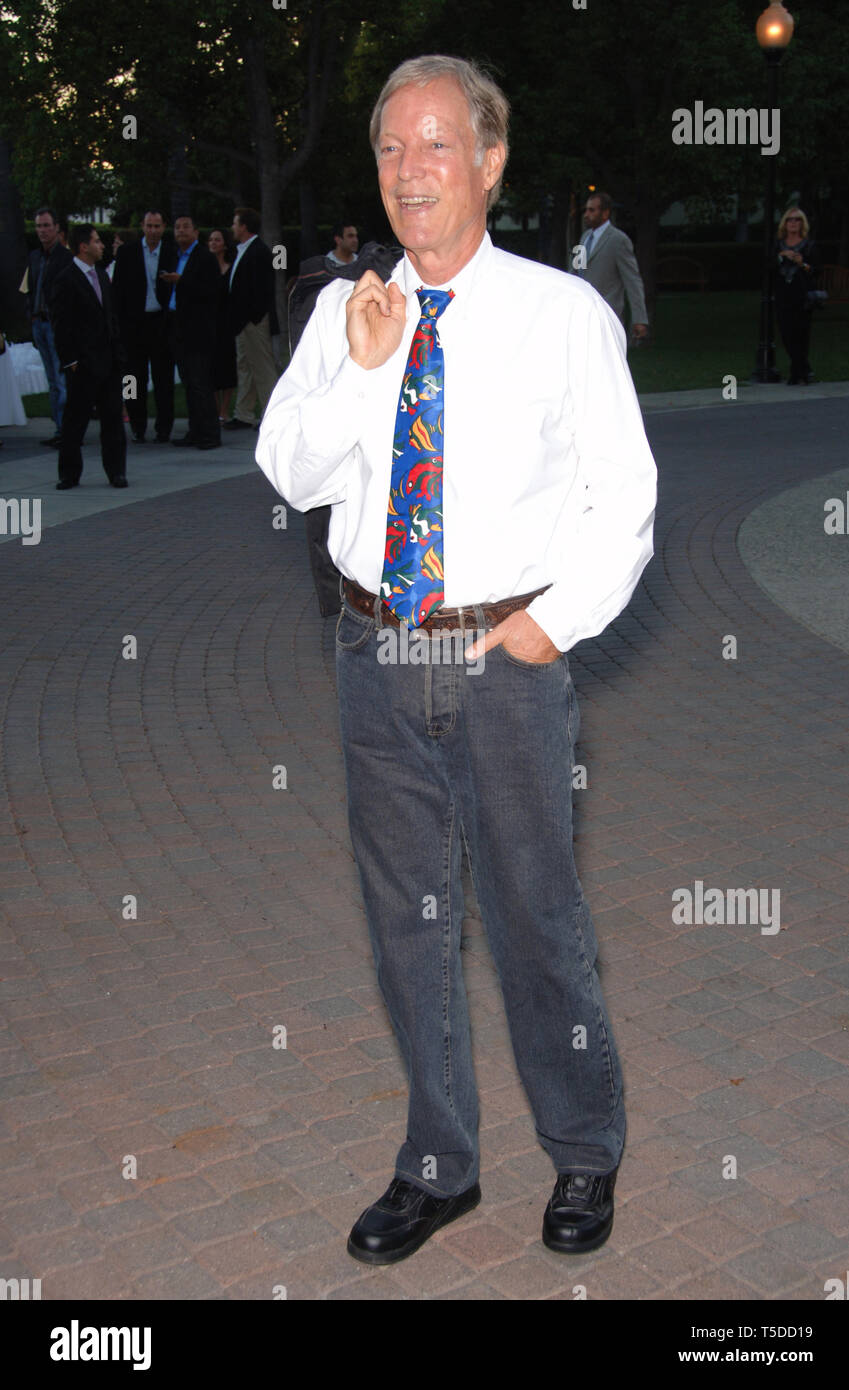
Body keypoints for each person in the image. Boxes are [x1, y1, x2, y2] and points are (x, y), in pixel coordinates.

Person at [257, 55, 657, 1265]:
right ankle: (438, 1165)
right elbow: (287, 470)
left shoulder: (560, 313)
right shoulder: (345, 312)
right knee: (408, 923)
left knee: (537, 916)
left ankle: (582, 1152)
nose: (408, 170)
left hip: (504, 661)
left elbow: (624, 496)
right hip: (372, 650)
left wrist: (551, 624)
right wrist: (364, 376)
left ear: (488, 162)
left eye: (436, 145)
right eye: (389, 147)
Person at [49, 224, 127, 489]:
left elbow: (111, 316)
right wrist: (70, 361)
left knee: (113, 419)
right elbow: (61, 325)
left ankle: (116, 471)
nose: (101, 245)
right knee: (75, 421)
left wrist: (118, 353)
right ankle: (69, 474)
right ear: (83, 246)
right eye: (96, 241)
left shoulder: (102, 276)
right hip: (82, 365)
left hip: (109, 362)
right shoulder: (66, 279)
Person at [112, 210, 176, 442]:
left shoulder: (170, 252)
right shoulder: (127, 253)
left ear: (163, 227)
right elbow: (117, 290)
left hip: (161, 323)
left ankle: (163, 427)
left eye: (157, 226)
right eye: (149, 226)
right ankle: (137, 425)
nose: (153, 231)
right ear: (142, 226)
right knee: (132, 379)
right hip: (134, 325)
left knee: (163, 379)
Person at [160, 214, 221, 449]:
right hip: (178, 326)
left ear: (196, 232)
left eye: (186, 227)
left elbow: (211, 291)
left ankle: (210, 433)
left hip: (198, 329)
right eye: (177, 227)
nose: (181, 231)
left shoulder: (204, 257)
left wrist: (181, 281)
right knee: (188, 382)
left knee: (200, 382)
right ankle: (195, 430)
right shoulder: (175, 256)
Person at [22, 207, 72, 446]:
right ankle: (60, 428)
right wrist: (31, 316)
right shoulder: (35, 257)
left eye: (46, 226)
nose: (42, 230)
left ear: (56, 229)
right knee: (52, 380)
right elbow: (29, 288)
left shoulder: (65, 258)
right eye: (38, 226)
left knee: (61, 379)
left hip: (55, 325)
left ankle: (68, 430)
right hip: (39, 323)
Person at [224, 207, 278, 430]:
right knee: (245, 366)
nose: (233, 227)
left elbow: (262, 289)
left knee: (262, 367)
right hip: (243, 321)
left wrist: (252, 318)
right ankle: (244, 413)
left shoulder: (259, 251)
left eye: (235, 223)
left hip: (253, 321)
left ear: (244, 226)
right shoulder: (243, 250)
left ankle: (273, 414)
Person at [574, 192, 648, 342]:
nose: (586, 215)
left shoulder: (618, 240)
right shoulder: (585, 237)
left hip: (607, 313)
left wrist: (639, 318)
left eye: (592, 210)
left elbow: (632, 280)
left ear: (605, 213)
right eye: (586, 210)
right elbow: (576, 271)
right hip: (582, 312)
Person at [775, 207, 819, 385]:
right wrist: (781, 256)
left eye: (797, 220)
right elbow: (769, 266)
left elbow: (816, 270)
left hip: (802, 293)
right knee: (786, 333)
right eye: (789, 220)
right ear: (784, 224)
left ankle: (797, 373)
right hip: (783, 293)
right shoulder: (778, 244)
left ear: (802, 223)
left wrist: (803, 264)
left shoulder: (809, 245)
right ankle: (804, 369)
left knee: (801, 333)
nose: (793, 223)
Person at [207, 227, 238, 423]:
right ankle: (215, 409)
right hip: (209, 322)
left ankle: (225, 410)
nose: (213, 243)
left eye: (217, 240)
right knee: (211, 368)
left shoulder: (231, 268)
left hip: (226, 323)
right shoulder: (205, 268)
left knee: (227, 367)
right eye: (210, 240)